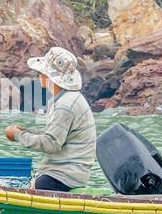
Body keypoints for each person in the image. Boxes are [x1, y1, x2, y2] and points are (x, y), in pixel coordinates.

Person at [5, 46, 97, 192]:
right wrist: (28, 131)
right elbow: (55, 134)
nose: (39, 75)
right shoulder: (68, 98)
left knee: (31, 187)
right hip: (72, 173)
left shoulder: (64, 106)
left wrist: (17, 135)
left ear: (48, 77)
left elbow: (50, 144)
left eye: (40, 72)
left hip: (65, 177)